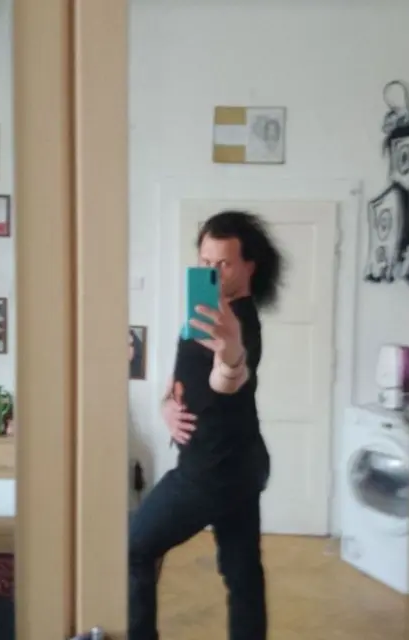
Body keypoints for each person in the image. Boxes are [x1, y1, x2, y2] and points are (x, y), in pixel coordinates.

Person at [129, 210, 283, 640]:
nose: (212, 272)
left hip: (208, 472)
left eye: (224, 263)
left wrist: (230, 355)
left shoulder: (239, 324)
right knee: (242, 574)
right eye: (205, 262)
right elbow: (185, 377)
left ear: (250, 266)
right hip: (241, 464)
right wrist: (166, 405)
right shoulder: (205, 312)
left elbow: (226, 380)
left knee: (133, 549)